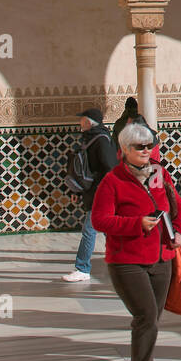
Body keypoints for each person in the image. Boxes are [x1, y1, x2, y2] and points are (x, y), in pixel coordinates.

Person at [91, 121, 181, 361]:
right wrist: (136, 224)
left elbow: (177, 205)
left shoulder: (158, 173)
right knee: (145, 317)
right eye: (139, 147)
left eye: (149, 146)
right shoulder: (113, 181)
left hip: (161, 258)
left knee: (152, 322)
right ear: (124, 150)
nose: (146, 151)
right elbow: (101, 220)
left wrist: (179, 232)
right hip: (127, 261)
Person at [62, 106, 117, 282]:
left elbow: (110, 166)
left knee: (89, 229)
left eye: (82, 120)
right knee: (108, 229)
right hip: (94, 192)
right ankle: (121, 260)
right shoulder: (92, 138)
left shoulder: (100, 140)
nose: (80, 123)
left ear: (88, 122)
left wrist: (104, 190)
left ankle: (82, 268)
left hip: (101, 193)